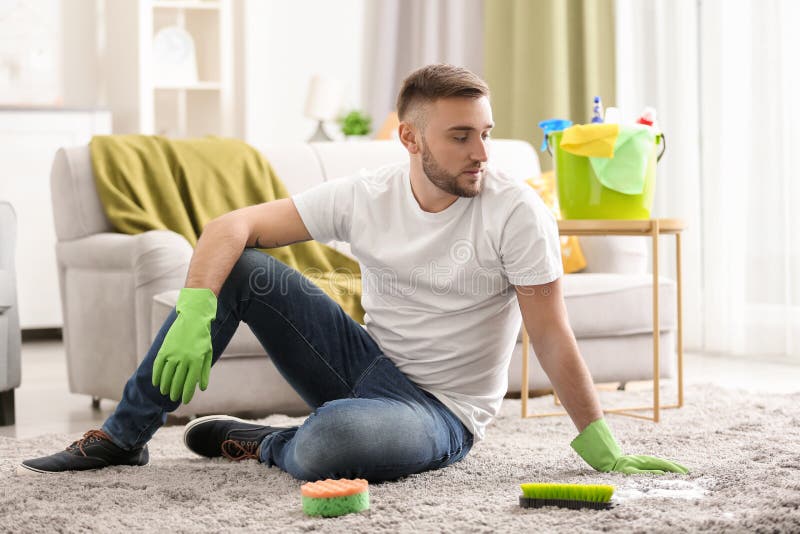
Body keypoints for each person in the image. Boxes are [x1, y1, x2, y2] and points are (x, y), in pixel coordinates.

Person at [20, 64, 687, 480]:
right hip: (364, 366)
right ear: (411, 138)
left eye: (485, 131)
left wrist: (599, 442)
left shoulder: (517, 212)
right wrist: (197, 309)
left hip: (441, 413)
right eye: (461, 135)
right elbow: (231, 227)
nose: (481, 151)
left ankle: (274, 444)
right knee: (244, 267)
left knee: (332, 442)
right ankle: (123, 437)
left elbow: (551, 334)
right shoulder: (368, 195)